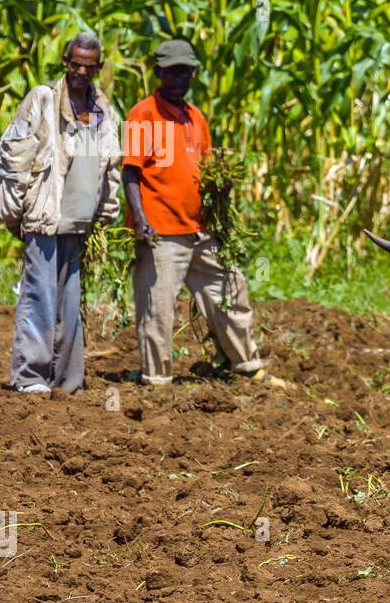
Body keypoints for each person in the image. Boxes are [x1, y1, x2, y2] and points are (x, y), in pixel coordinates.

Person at [122, 39, 284, 388]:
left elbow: (204, 168)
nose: (180, 78)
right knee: (158, 309)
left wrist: (221, 189)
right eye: (173, 71)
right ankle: (157, 380)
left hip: (200, 229)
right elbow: (131, 172)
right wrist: (141, 221)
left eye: (186, 71)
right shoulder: (143, 114)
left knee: (230, 291)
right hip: (161, 232)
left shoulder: (196, 117)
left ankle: (245, 365)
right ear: (159, 72)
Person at [0, 32, 122, 394]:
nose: (81, 71)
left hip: (79, 224)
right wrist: (13, 210)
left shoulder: (102, 109)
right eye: (75, 64)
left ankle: (68, 380)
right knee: (40, 297)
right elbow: (13, 155)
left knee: (69, 302)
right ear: (65, 63)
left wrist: (105, 214)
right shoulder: (42, 100)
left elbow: (110, 163)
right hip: (44, 218)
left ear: (98, 67)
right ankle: (31, 378)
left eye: (89, 65)